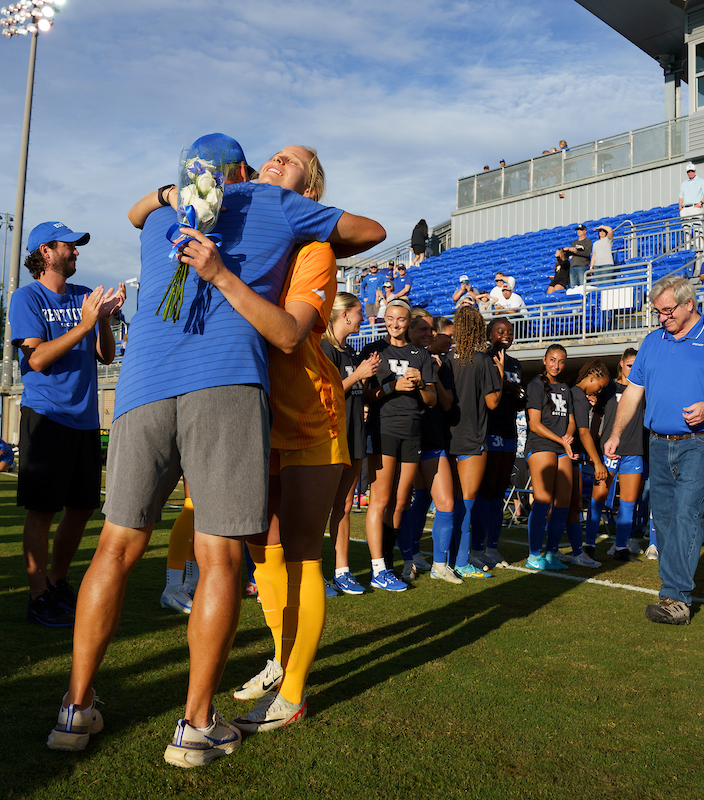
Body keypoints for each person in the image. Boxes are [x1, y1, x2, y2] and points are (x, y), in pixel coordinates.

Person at [48, 135, 384, 766]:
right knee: (223, 557)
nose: (269, 168)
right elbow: (372, 229)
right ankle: (196, 726)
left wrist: (173, 195)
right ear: (241, 173)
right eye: (262, 164)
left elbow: (135, 209)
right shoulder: (273, 204)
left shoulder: (158, 218)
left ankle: (74, 707)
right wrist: (295, 222)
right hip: (224, 380)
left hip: (142, 387)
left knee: (116, 548)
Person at [223, 157, 352, 735]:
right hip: (260, 415)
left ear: (310, 190)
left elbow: (289, 332)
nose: (276, 162)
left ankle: (295, 692)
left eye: (292, 162)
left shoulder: (314, 251)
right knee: (261, 542)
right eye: (273, 154)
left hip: (310, 419)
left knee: (302, 550)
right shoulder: (252, 241)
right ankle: (281, 656)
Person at [603, 276, 704, 626]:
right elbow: (633, 393)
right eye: (657, 311)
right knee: (665, 520)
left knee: (686, 512)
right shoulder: (652, 343)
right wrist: (616, 433)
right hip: (658, 442)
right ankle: (673, 588)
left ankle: (676, 598)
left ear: (689, 304)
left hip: (703, 441)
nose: (661, 318)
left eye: (667, 310)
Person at [10, 220, 124, 628]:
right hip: (46, 416)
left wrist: (106, 320)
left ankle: (57, 581)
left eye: (77, 247)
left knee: (81, 507)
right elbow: (37, 360)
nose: (76, 252)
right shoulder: (27, 298)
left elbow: (106, 356)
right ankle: (37, 594)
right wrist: (84, 324)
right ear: (45, 251)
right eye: (69, 246)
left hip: (84, 420)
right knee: (42, 509)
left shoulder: (83, 296)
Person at [360, 299, 437, 592]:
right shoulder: (374, 350)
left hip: (413, 431)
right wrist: (392, 387)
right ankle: (378, 567)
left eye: (401, 319)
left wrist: (419, 385)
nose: (395, 323)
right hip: (383, 429)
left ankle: (387, 564)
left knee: (402, 501)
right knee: (380, 500)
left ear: (408, 321)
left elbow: (431, 402)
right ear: (384, 320)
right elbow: (365, 395)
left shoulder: (421, 354)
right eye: (390, 318)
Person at [322, 293, 379, 595]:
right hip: (330, 437)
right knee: (319, 507)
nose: (364, 318)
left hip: (355, 434)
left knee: (344, 505)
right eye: (359, 312)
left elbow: (354, 392)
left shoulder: (351, 351)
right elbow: (326, 392)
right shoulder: (324, 348)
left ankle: (342, 570)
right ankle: (312, 570)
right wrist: (358, 375)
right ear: (344, 315)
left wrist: (364, 375)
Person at [445, 305, 503, 579]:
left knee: (451, 503)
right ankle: (462, 561)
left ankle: (445, 558)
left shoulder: (446, 359)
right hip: (473, 438)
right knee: (467, 502)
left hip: (447, 438)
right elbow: (492, 402)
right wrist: (500, 377)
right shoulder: (482, 360)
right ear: (479, 329)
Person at [406, 312, 458, 583]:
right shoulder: (399, 356)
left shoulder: (442, 365)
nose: (430, 335)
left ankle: (439, 564)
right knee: (408, 500)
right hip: (406, 438)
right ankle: (408, 555)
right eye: (423, 329)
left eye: (432, 331)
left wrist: (434, 375)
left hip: (433, 440)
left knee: (445, 503)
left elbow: (447, 403)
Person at [523, 344, 578, 571]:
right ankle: (534, 554)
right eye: (553, 360)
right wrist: (561, 441)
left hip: (561, 447)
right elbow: (534, 424)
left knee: (563, 502)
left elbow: (571, 420)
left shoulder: (565, 388)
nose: (557, 365)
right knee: (543, 500)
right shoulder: (535, 385)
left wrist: (569, 434)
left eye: (561, 361)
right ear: (544, 359)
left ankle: (551, 553)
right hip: (542, 445)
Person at [478, 318, 525, 568]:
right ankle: (479, 547)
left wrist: (513, 391)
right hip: (489, 430)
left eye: (509, 331)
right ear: (489, 334)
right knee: (487, 490)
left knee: (499, 492)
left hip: (509, 431)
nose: (506, 335)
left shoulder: (516, 364)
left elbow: (520, 399)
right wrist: (504, 385)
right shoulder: (483, 359)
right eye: (500, 331)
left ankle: (493, 547)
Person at [593, 348, 646, 561]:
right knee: (599, 499)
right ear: (622, 364)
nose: (633, 369)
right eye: (630, 365)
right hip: (610, 452)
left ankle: (621, 547)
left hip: (634, 451)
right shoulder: (609, 388)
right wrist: (595, 450)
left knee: (628, 502)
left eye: (637, 365)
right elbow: (596, 420)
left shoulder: (643, 390)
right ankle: (587, 546)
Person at [569, 359, 611, 561]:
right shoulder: (577, 396)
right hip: (569, 457)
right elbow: (584, 433)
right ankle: (573, 552)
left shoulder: (576, 394)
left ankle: (573, 551)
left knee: (571, 506)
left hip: (572, 456)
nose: (599, 391)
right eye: (600, 386)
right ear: (592, 378)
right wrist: (598, 462)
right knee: (568, 506)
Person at [679, 162, 704, 251]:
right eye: (689, 171)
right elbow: (681, 196)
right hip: (686, 208)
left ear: (695, 171)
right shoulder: (684, 183)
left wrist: (700, 203)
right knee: (686, 230)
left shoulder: (701, 180)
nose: (690, 173)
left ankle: (699, 248)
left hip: (695, 207)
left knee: (697, 229)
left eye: (692, 171)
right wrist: (680, 207)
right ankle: (687, 249)